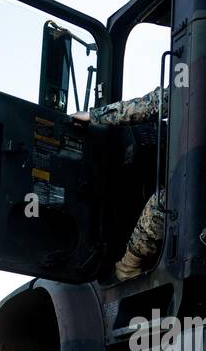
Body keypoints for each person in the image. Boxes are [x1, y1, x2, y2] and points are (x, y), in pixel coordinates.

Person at [72, 87, 168, 281]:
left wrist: (93, 116)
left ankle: (127, 266)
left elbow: (143, 107)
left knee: (163, 201)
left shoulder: (189, 82)